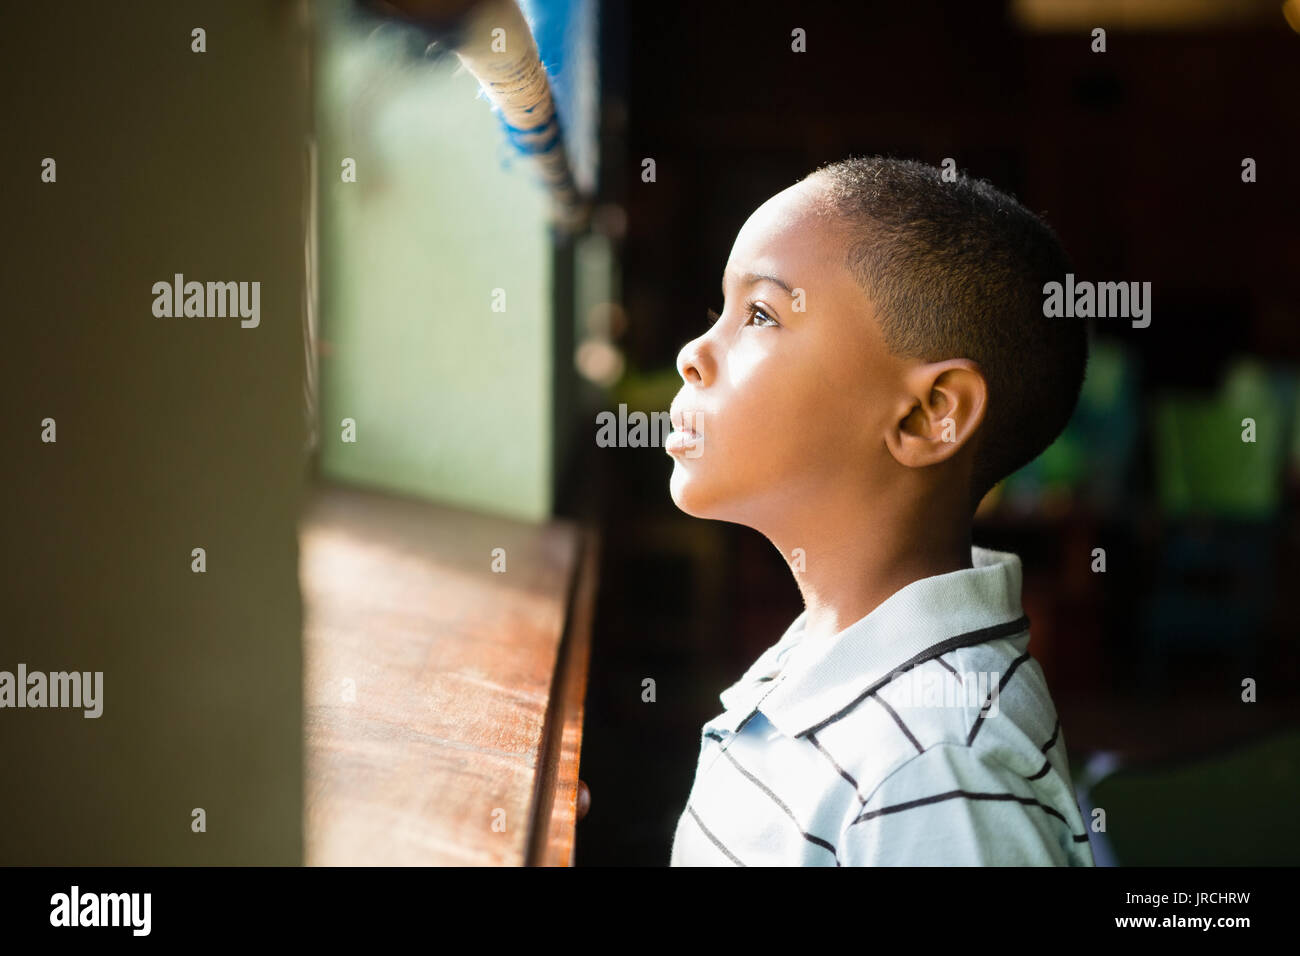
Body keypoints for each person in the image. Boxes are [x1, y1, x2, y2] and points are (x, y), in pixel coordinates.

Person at [666, 156, 1094, 866]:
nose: (692, 355)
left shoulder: (935, 767)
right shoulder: (827, 652)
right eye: (720, 312)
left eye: (761, 315)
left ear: (929, 414)